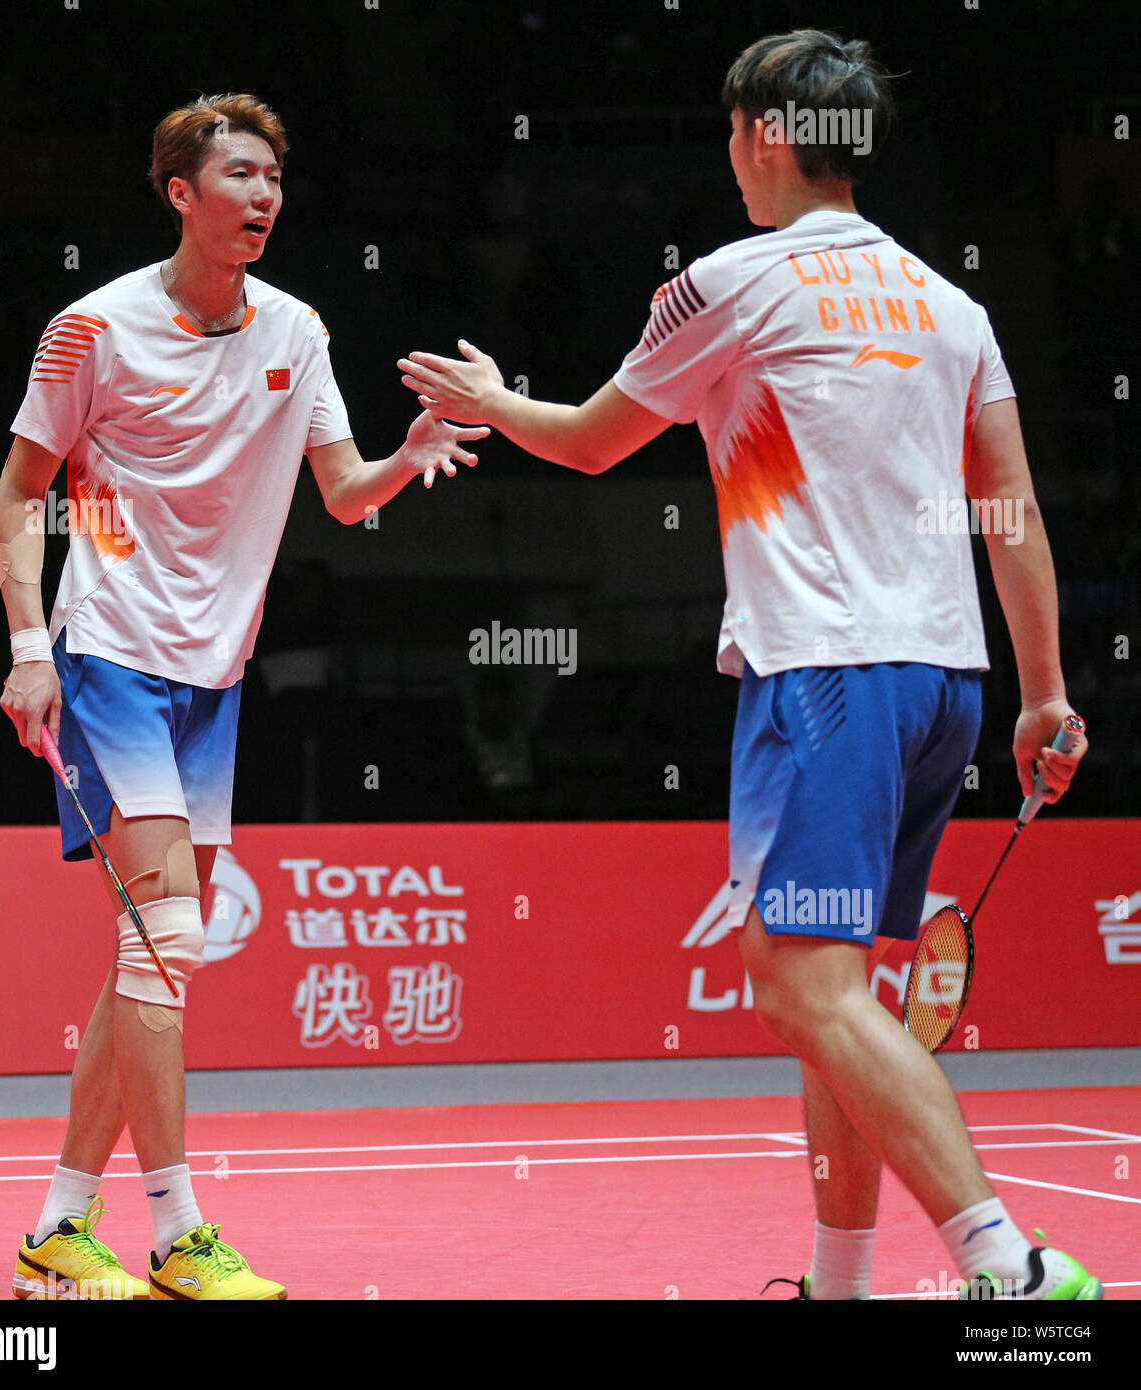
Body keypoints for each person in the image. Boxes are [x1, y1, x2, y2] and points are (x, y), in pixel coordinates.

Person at [398, 30, 1099, 1301]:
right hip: (946, 681)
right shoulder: (955, 306)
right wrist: (1045, 690)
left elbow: (596, 445)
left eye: (732, 132)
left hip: (823, 674)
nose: (727, 157)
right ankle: (837, 1286)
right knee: (842, 991)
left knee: (798, 990)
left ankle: (1009, 1261)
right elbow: (1014, 508)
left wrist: (497, 402)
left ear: (769, 135)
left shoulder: (734, 282)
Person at [0, 92, 486, 1300]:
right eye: (242, 176)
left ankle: (60, 1225)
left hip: (214, 674)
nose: (265, 195)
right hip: (108, 647)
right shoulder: (92, 329)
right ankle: (175, 1234)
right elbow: (17, 494)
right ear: (181, 192)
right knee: (161, 940)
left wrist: (411, 455)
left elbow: (342, 491)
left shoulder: (299, 331)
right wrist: (26, 644)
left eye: (276, 176)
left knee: (159, 951)